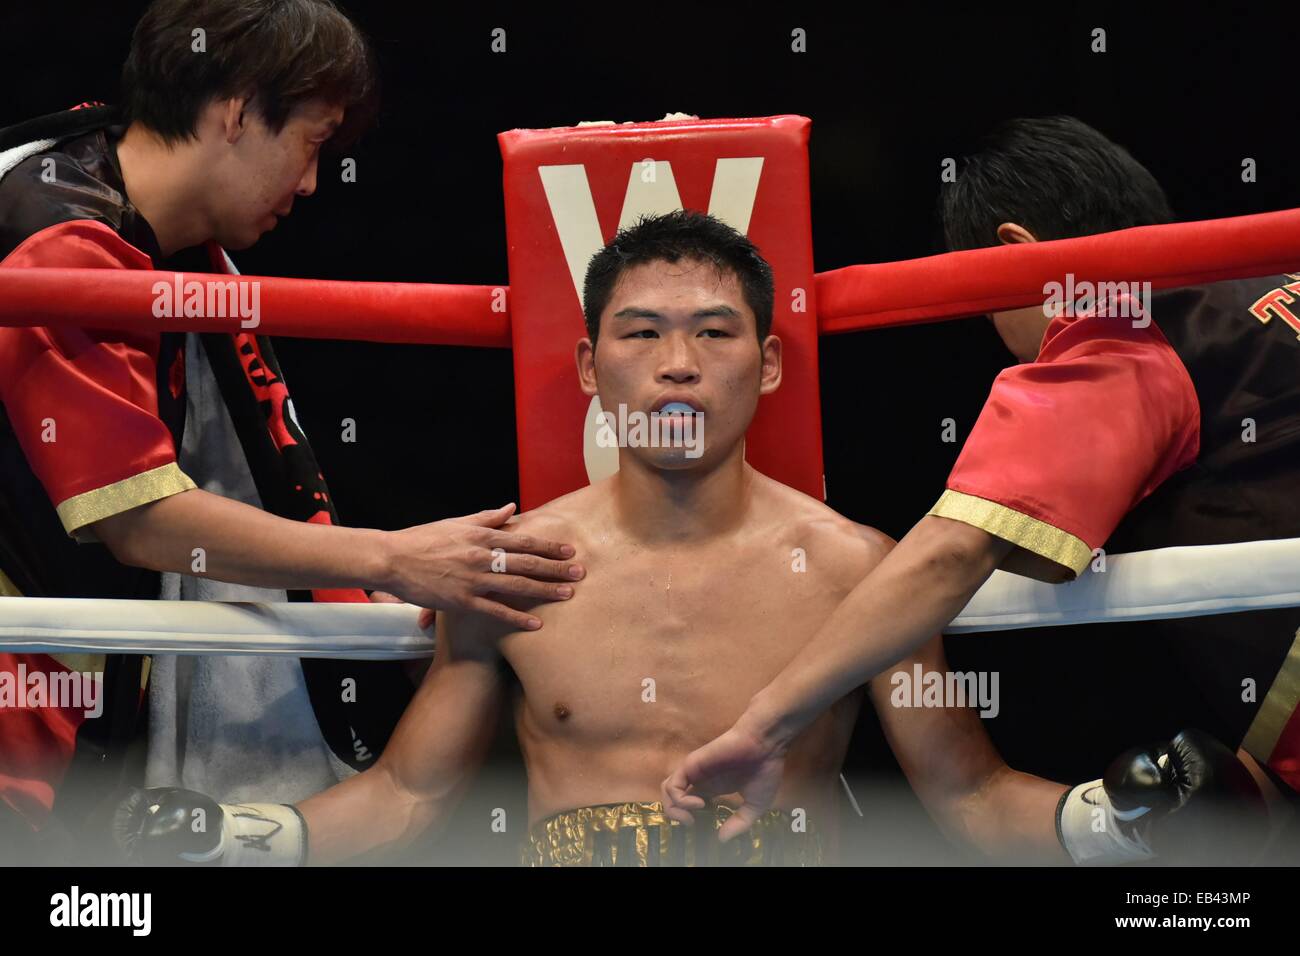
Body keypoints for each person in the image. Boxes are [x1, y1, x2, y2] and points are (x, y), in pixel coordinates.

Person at [108, 211, 1269, 867]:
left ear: (765, 365)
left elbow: (967, 798)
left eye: (714, 333)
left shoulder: (865, 569)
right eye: (643, 332)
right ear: (586, 365)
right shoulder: (514, 566)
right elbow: (408, 794)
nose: (676, 362)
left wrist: (1105, 821)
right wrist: (242, 836)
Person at [0, 0, 581, 857]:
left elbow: (270, 479)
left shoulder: (180, 246)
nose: (311, 185)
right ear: (236, 111)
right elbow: (135, 518)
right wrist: (393, 557)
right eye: (311, 143)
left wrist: (369, 610)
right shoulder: (57, 236)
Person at [661, 117, 1300, 852]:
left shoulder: (1124, 328)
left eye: (989, 303)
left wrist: (764, 725)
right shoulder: (1269, 279)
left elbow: (952, 553)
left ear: (1015, 257)